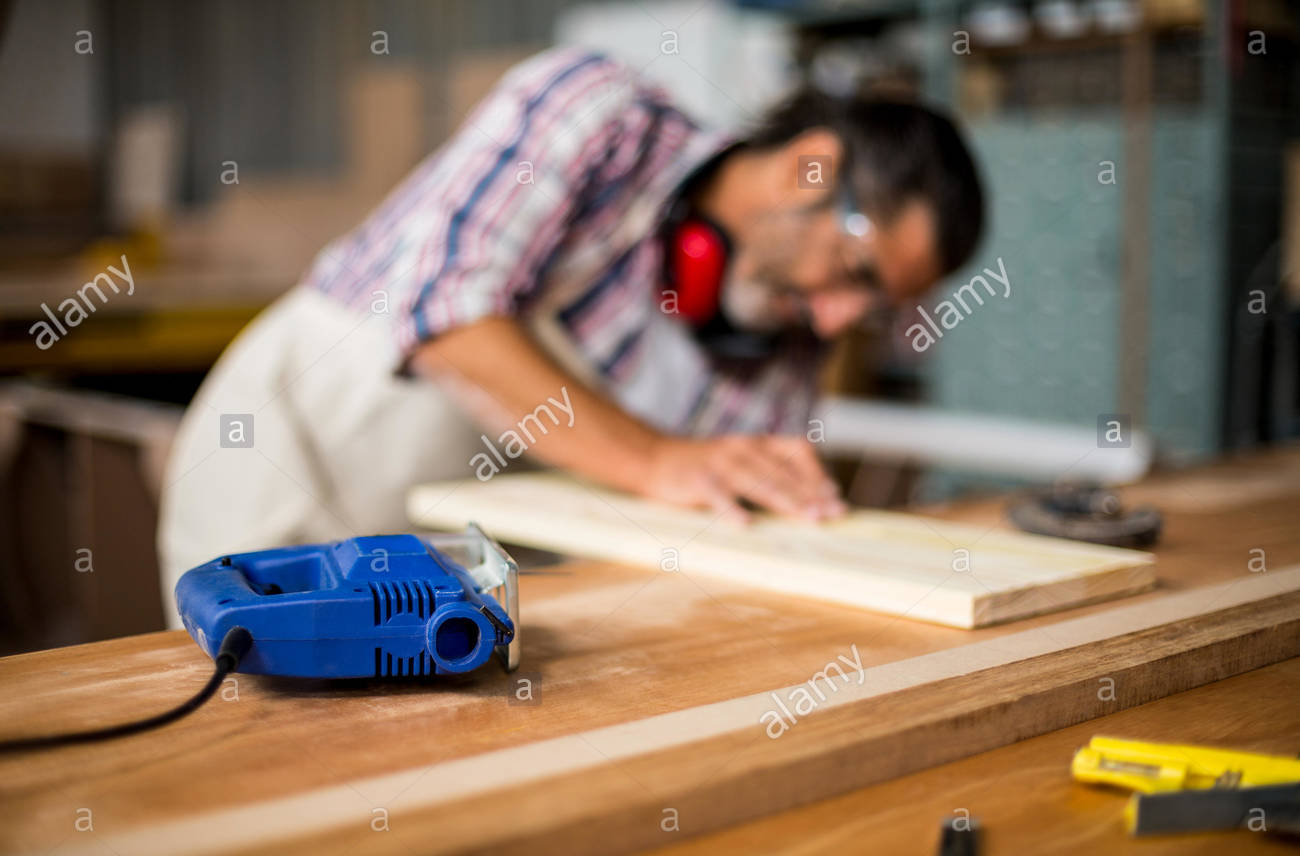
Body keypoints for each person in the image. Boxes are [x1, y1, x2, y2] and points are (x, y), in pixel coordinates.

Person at [157, 47, 984, 613]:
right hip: (295, 469)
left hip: (451, 553)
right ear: (813, 165)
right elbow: (447, 315)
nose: (841, 320)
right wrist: (657, 459)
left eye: (874, 310)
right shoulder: (600, 115)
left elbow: (714, 519)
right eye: (858, 272)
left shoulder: (787, 338)